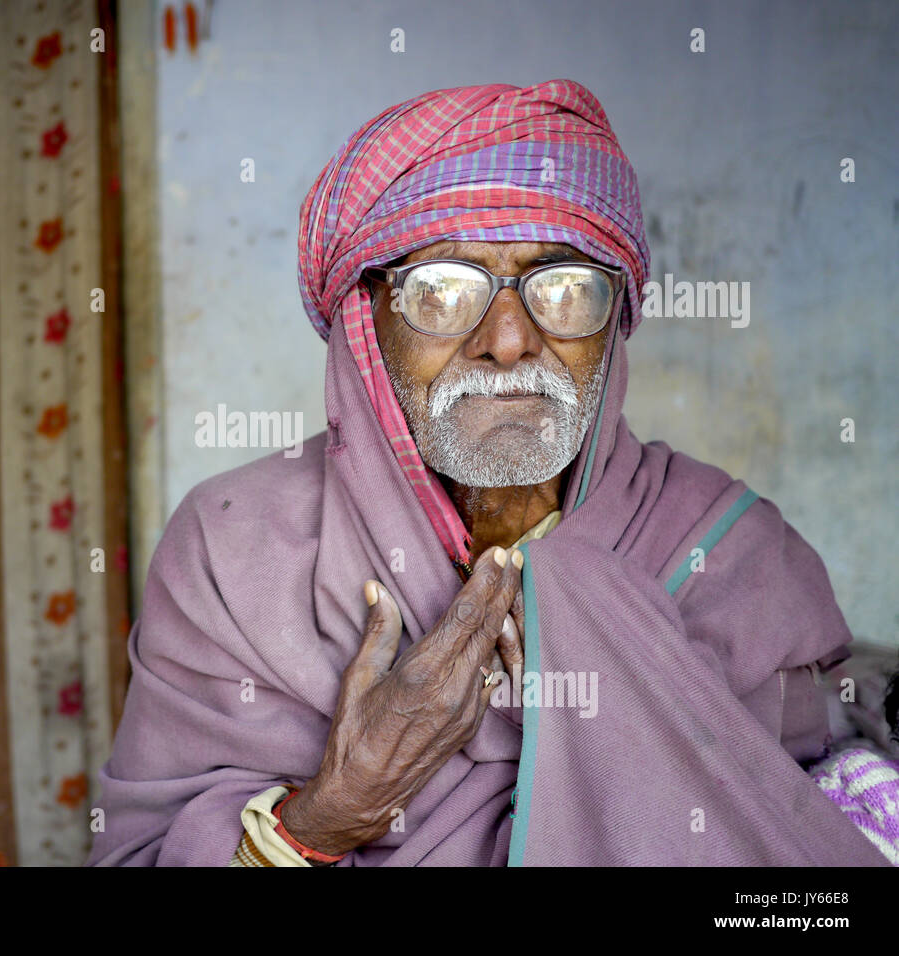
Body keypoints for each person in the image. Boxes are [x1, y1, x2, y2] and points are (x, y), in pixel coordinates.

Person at [86, 80, 888, 866]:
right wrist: (327, 815)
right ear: (367, 321)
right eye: (441, 288)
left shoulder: (730, 547)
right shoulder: (234, 549)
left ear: (613, 323)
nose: (508, 338)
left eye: (565, 286)